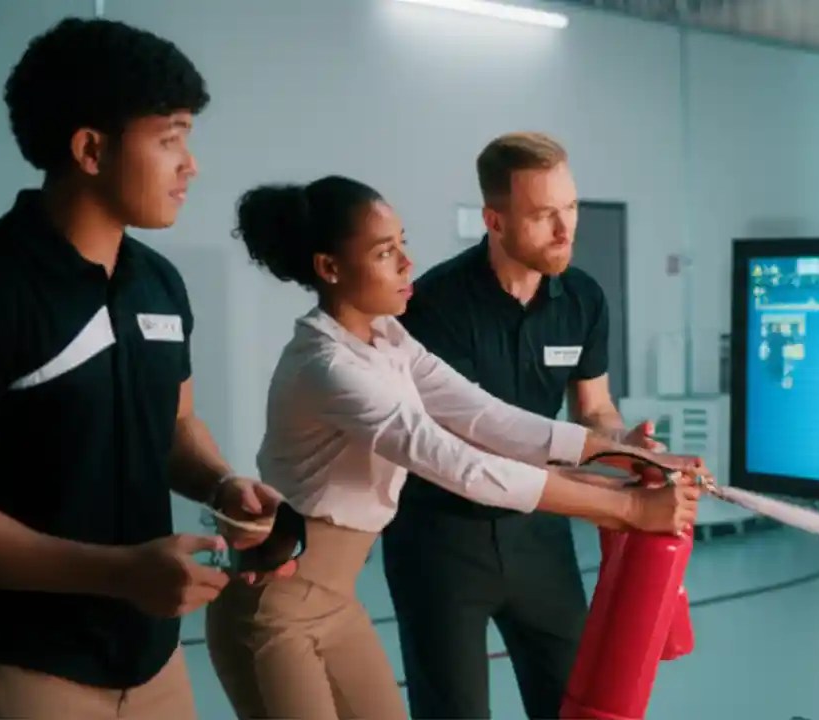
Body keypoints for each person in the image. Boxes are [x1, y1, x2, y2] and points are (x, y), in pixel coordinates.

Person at [0, 18, 290, 720]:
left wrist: (226, 486)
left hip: (151, 658)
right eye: (169, 140)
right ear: (90, 149)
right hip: (13, 663)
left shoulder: (157, 283)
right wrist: (118, 574)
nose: (190, 164)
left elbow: (177, 424)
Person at [204, 175, 702, 720]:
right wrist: (625, 507)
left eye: (403, 243)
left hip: (336, 603)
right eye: (384, 251)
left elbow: (488, 418)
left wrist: (625, 457)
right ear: (330, 268)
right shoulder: (330, 367)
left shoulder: (389, 340)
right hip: (275, 607)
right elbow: (459, 463)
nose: (406, 263)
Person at [383, 131, 660, 719]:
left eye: (571, 208)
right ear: (495, 220)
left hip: (541, 533)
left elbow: (594, 407)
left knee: (572, 705)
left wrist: (624, 446)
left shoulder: (584, 299)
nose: (566, 230)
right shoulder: (434, 304)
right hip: (442, 538)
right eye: (542, 215)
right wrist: (610, 496)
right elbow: (466, 442)